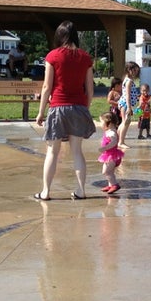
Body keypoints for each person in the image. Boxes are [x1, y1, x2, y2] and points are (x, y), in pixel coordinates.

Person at [34, 21, 96, 201]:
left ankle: (45, 192)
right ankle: (81, 190)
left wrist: (40, 112)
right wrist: (85, 107)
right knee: (77, 151)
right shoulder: (85, 58)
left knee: (53, 152)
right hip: (78, 107)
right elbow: (90, 88)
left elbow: (46, 86)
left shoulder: (53, 56)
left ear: (59, 36)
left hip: (58, 107)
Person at [116, 61, 141, 149]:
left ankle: (117, 140)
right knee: (126, 122)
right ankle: (121, 142)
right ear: (128, 70)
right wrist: (129, 107)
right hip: (126, 104)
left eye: (136, 71)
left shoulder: (126, 79)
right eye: (134, 71)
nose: (135, 73)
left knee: (124, 122)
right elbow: (127, 95)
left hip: (124, 104)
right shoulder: (129, 81)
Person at [98, 111, 124, 194]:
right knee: (109, 171)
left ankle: (115, 185)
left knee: (107, 171)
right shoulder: (109, 131)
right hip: (108, 155)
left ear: (108, 123)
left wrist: (105, 147)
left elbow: (114, 142)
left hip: (112, 156)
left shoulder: (112, 132)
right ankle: (110, 185)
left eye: (101, 122)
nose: (100, 124)